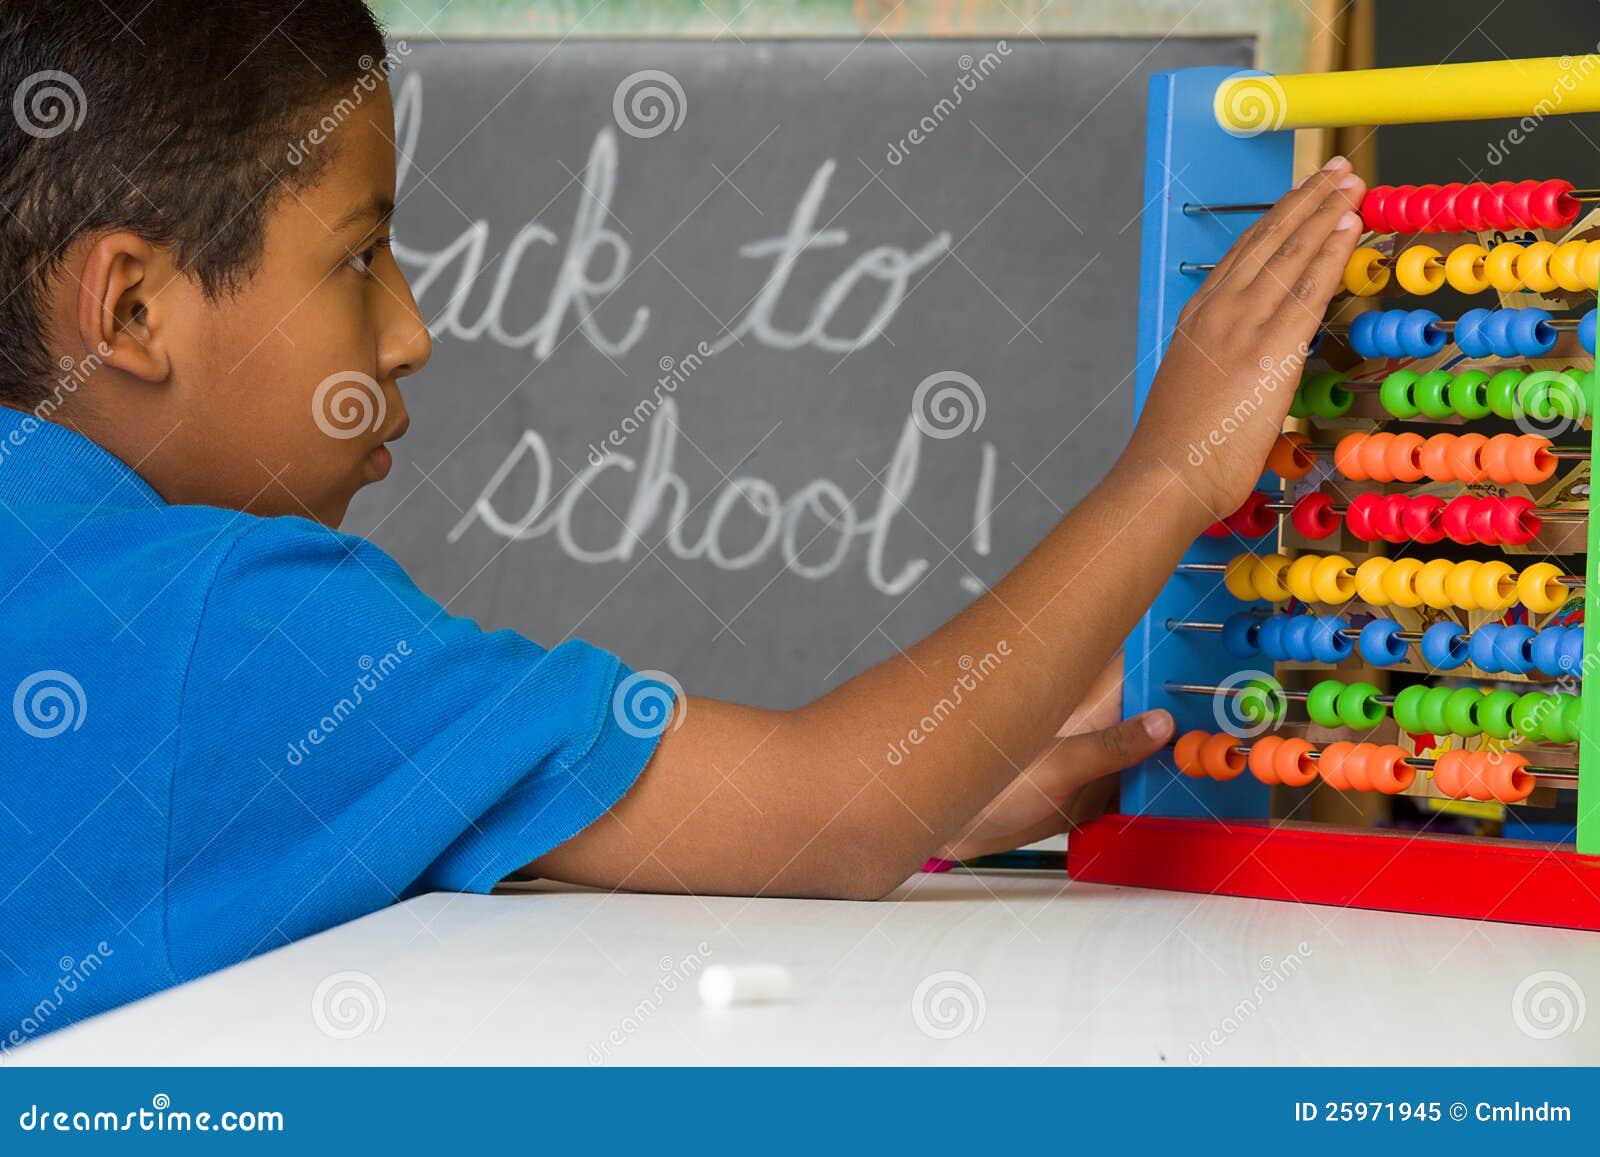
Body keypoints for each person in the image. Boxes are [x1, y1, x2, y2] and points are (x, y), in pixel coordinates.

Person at [0, 0, 1366, 1042]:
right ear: (129, 308)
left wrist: (947, 792)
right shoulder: (230, 619)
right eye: (360, 255)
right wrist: (1176, 465)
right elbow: (837, 808)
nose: (409, 331)